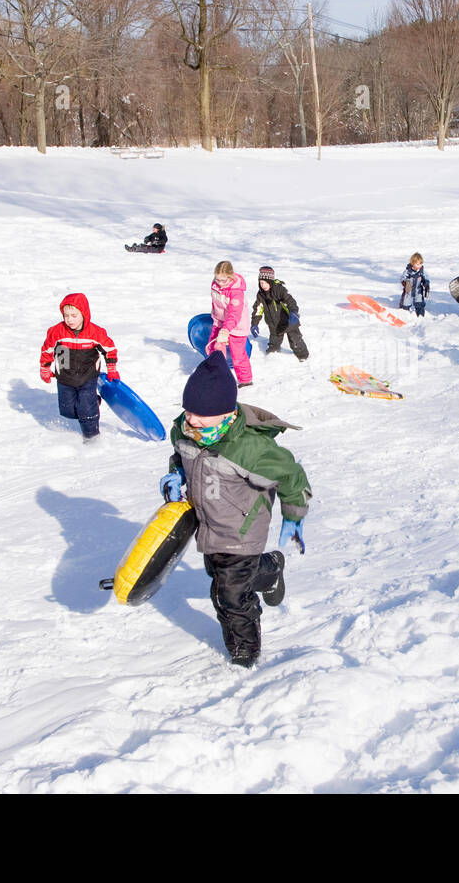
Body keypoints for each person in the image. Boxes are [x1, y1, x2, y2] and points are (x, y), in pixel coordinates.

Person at [159, 352, 312, 668]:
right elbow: (180, 456)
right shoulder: (184, 431)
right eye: (189, 412)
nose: (193, 420)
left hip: (243, 530)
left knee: (229, 597)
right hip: (209, 526)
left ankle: (245, 653)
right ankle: (269, 570)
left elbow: (292, 476)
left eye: (202, 415)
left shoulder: (250, 449)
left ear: (226, 413)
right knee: (220, 575)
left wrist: (294, 517)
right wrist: (175, 474)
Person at [39, 293, 118, 439]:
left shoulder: (95, 333)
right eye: (66, 315)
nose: (69, 320)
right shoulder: (56, 332)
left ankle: (92, 438)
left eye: (74, 315)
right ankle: (95, 401)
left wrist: (111, 368)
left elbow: (110, 350)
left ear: (84, 314)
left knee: (86, 411)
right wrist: (45, 368)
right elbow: (47, 350)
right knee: (68, 410)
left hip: (87, 375)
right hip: (64, 376)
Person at [208, 261, 253, 388]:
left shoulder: (236, 293)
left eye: (223, 280)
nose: (220, 283)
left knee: (238, 355)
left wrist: (226, 330)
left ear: (230, 276)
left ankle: (245, 380)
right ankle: (217, 376)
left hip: (237, 326)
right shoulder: (215, 285)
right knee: (214, 349)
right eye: (217, 279)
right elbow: (216, 303)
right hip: (220, 321)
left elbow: (234, 314)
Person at [250, 265, 309, 361]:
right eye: (261, 283)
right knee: (273, 346)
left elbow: (290, 301)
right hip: (274, 325)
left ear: (271, 282)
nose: (263, 285)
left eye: (266, 283)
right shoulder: (260, 295)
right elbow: (258, 310)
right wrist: (254, 324)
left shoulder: (279, 290)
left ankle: (303, 358)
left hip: (289, 321)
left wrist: (294, 312)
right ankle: (272, 360)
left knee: (296, 342)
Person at [399, 252, 430, 316]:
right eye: (418, 264)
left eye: (421, 263)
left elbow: (426, 278)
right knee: (406, 301)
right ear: (412, 263)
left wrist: (426, 284)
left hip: (418, 290)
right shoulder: (408, 271)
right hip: (409, 290)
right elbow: (402, 278)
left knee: (419, 301)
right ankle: (404, 313)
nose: (420, 266)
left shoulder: (422, 272)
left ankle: (420, 314)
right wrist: (405, 283)